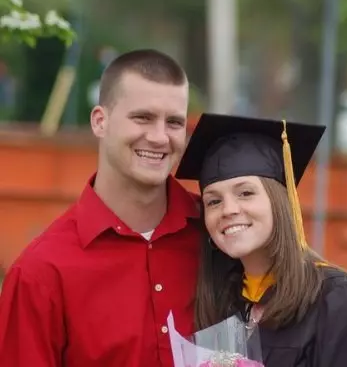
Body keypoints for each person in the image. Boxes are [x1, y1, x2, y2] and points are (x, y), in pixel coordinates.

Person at [0, 49, 201, 366]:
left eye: (174, 122)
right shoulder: (41, 272)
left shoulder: (219, 239)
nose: (160, 137)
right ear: (100, 121)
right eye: (143, 117)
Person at [175, 112, 347, 366]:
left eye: (246, 193)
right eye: (213, 201)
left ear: (281, 202)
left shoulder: (344, 306)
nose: (228, 209)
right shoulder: (223, 303)